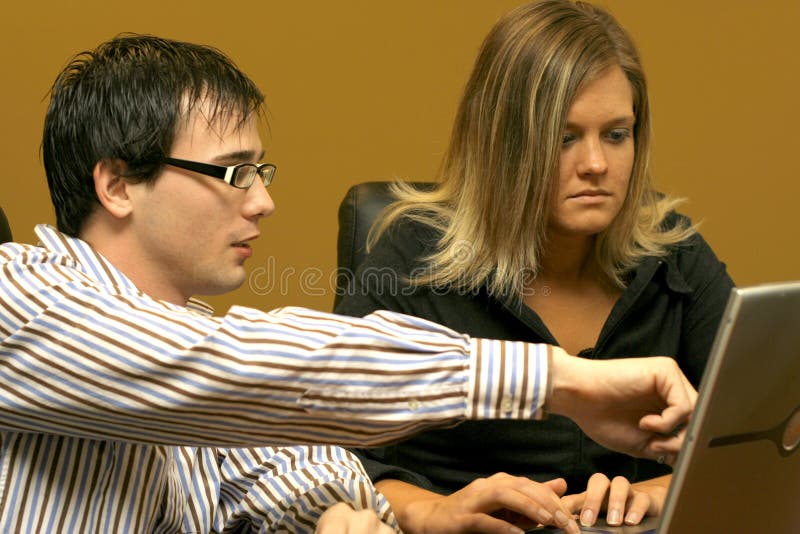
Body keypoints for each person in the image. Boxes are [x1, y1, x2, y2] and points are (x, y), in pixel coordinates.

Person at [0, 34, 696, 534]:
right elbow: (244, 371)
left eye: (260, 173)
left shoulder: (185, 357)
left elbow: (294, 461)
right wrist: (556, 380)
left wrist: (387, 514)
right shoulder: (19, 304)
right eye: (232, 172)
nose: (262, 202)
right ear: (118, 185)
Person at [335, 1, 735, 532]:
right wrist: (434, 509)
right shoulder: (414, 258)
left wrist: (660, 490)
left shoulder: (675, 256)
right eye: (565, 138)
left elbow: (756, 434)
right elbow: (332, 452)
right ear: (504, 143)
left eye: (616, 134)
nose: (596, 164)